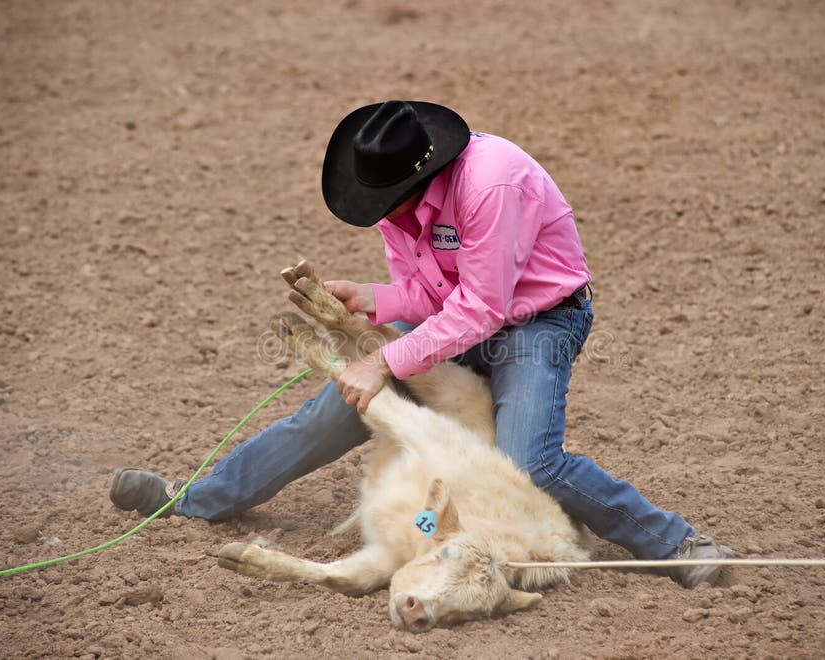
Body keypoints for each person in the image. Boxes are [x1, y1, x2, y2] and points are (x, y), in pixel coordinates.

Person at [110, 100, 734, 588]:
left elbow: (484, 307)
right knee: (331, 415)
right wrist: (375, 298)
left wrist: (382, 359)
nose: (378, 211)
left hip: (540, 323)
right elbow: (429, 292)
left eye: (383, 200)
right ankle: (194, 502)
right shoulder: (395, 201)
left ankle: (676, 542)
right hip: (465, 318)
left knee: (530, 461)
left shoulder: (491, 185)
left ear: (424, 172)